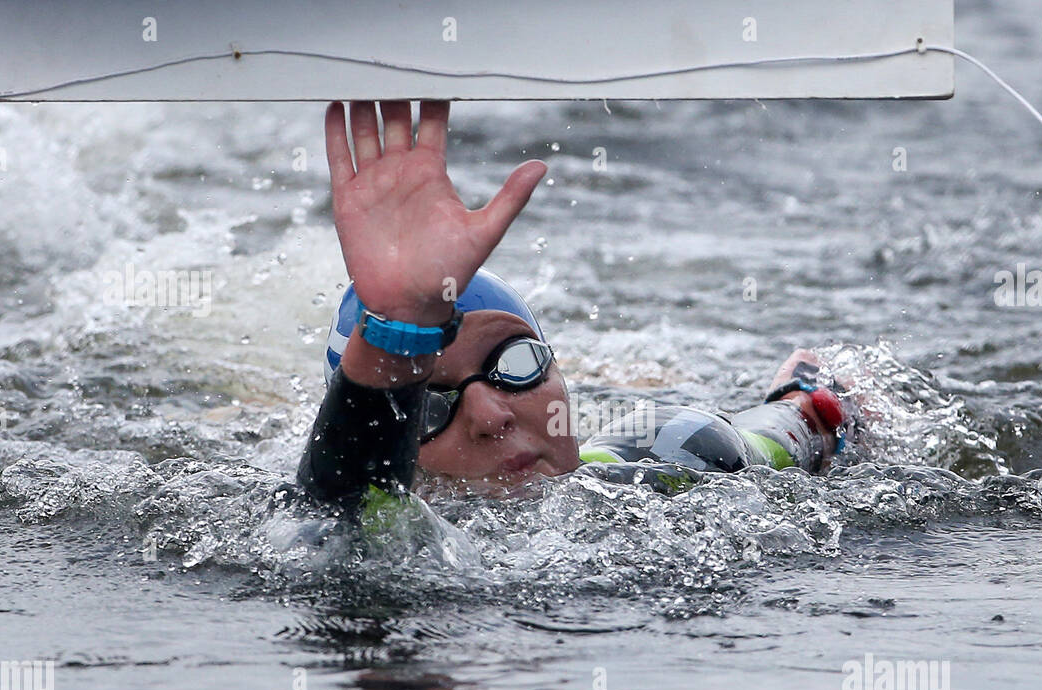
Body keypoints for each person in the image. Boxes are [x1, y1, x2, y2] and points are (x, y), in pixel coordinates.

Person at [297, 99, 858, 516]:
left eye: (516, 363)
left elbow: (809, 410)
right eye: (430, 406)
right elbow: (340, 501)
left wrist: (822, 402)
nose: (493, 417)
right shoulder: (359, 528)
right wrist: (400, 330)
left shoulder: (671, 457)